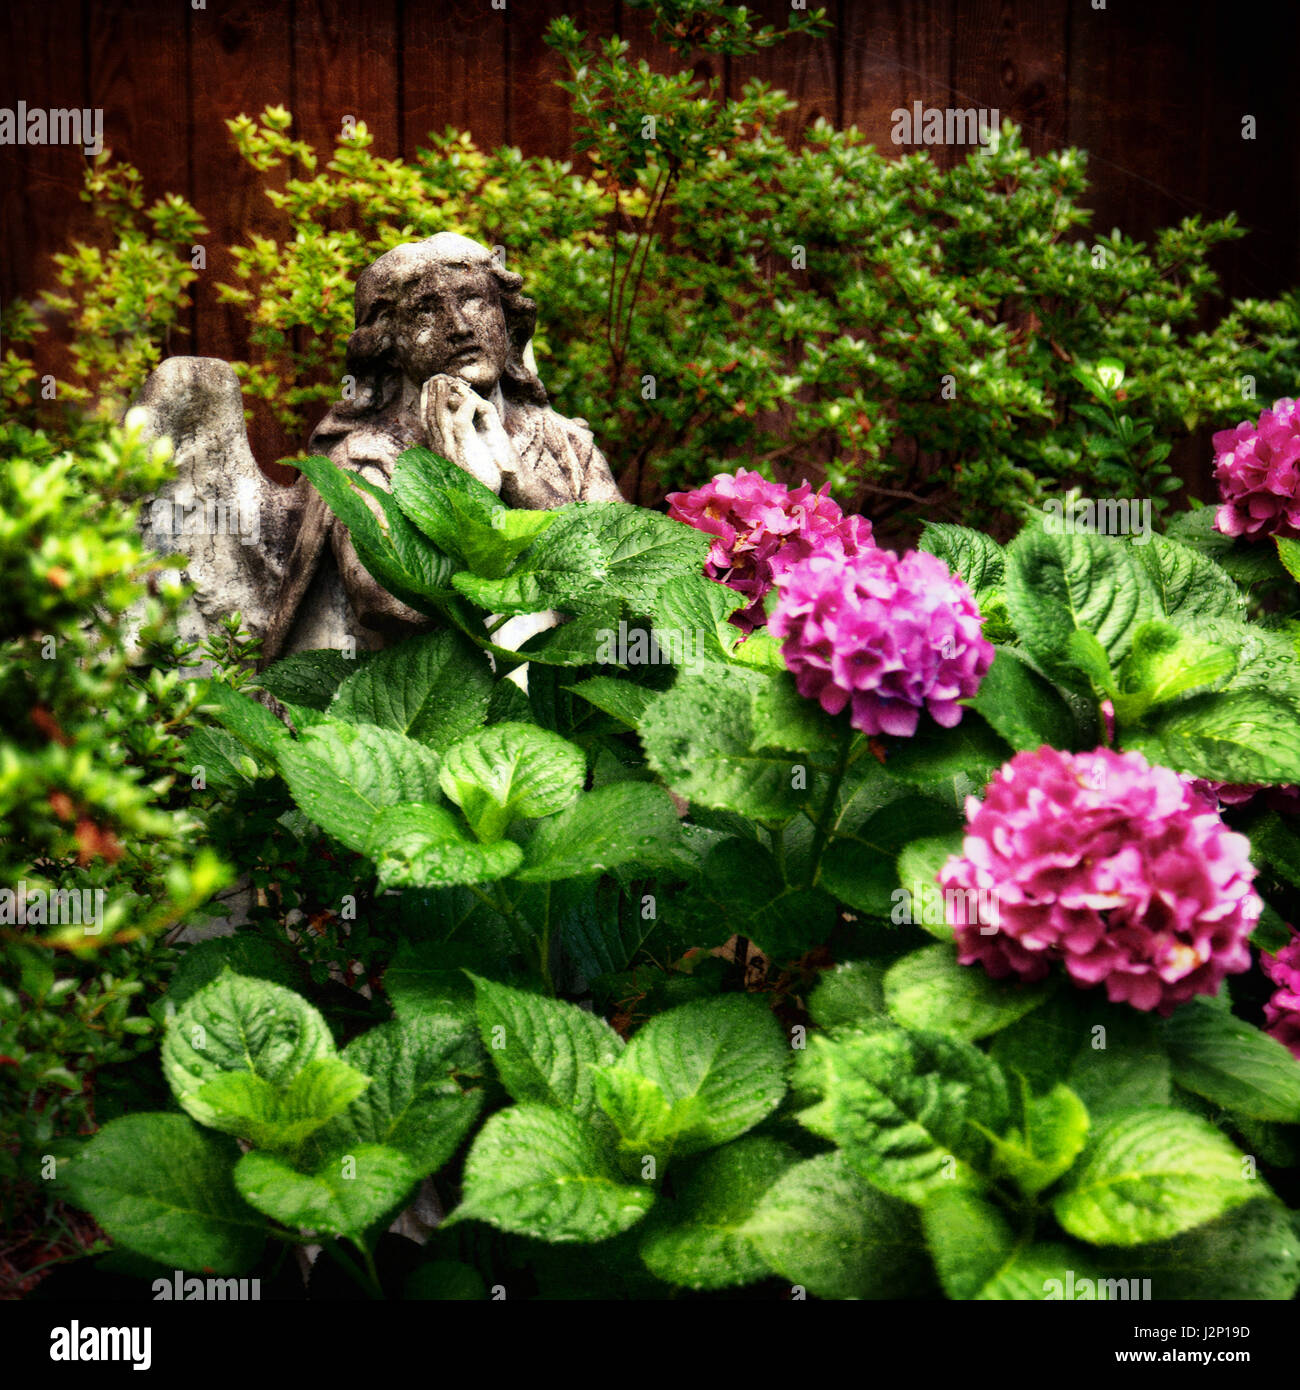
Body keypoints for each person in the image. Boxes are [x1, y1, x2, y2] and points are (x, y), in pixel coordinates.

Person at [262, 233, 622, 662]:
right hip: (428, 706)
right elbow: (390, 605)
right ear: (388, 344)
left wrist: (517, 480)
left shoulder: (564, 443)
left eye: (474, 300)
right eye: (425, 312)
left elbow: (623, 573)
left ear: (508, 322)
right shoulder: (365, 458)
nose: (460, 326)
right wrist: (470, 494)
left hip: (567, 702)